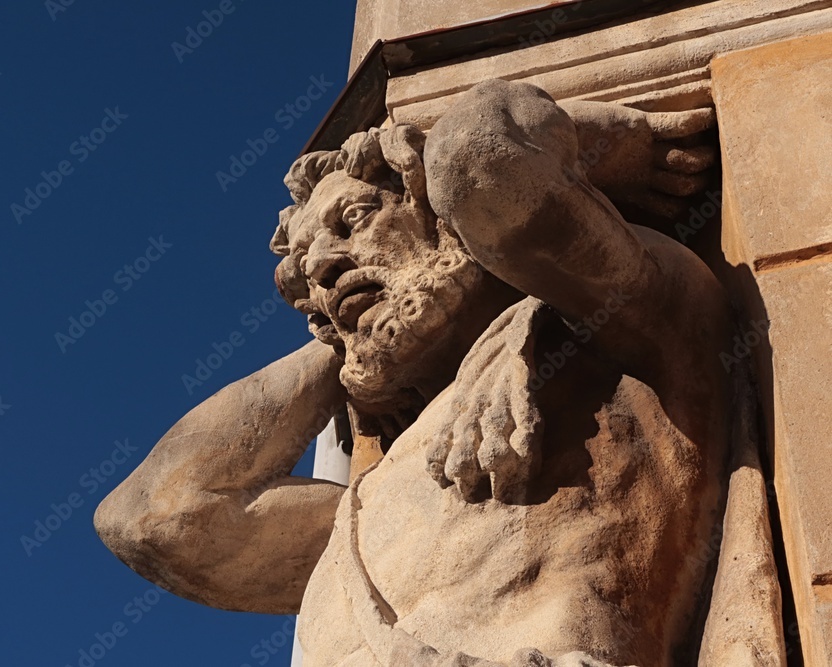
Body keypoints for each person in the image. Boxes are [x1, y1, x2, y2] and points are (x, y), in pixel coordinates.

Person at [95, 79, 730, 666]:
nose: (323, 266)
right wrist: (349, 341)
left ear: (439, 213)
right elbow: (156, 517)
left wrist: (597, 148)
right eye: (307, 272)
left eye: (353, 220)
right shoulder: (374, 501)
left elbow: (480, 156)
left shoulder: (613, 325)